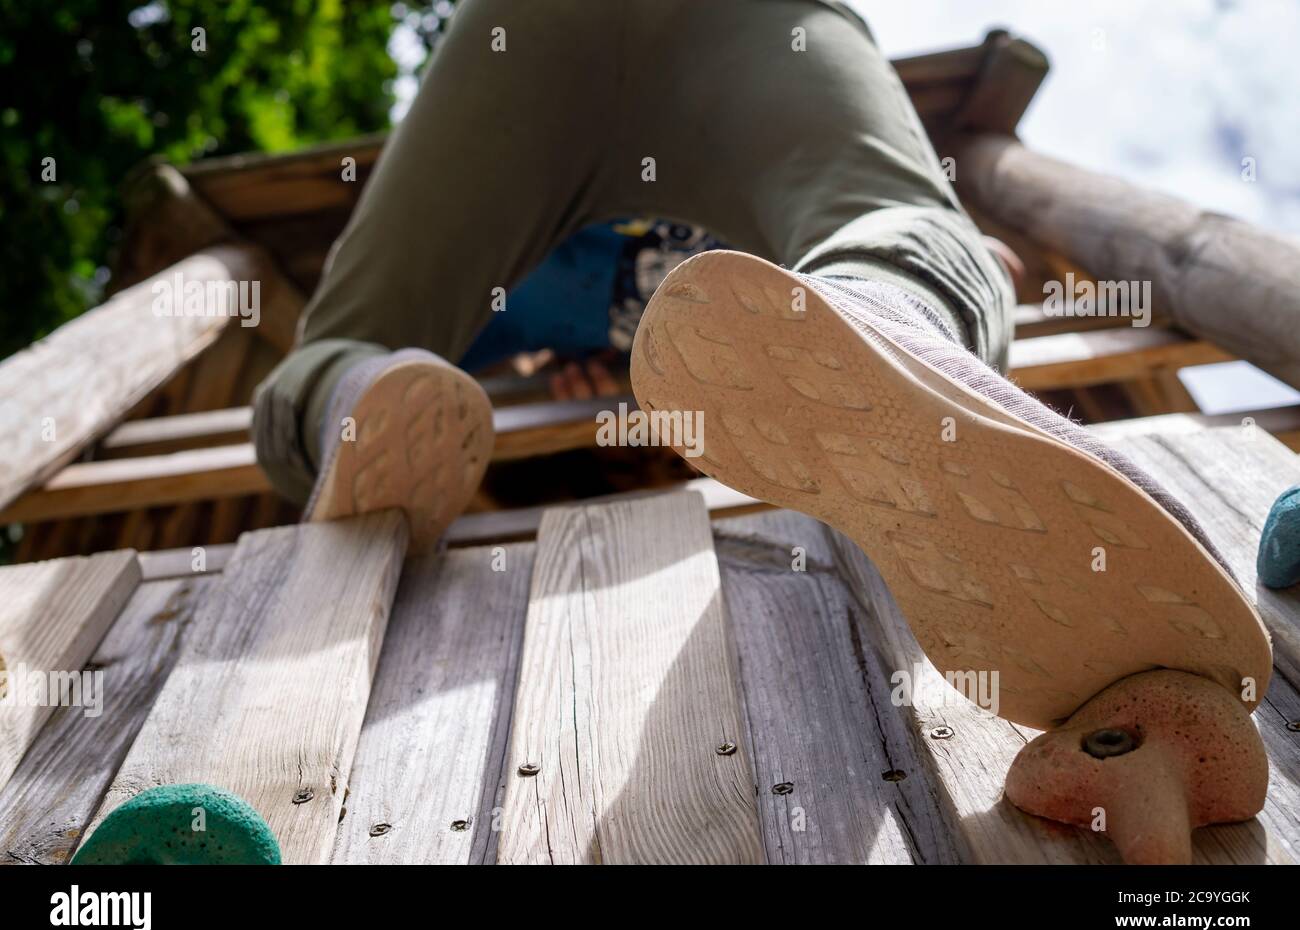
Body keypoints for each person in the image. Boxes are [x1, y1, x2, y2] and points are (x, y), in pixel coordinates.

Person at [252, 0, 1268, 726]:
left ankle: (342, 391)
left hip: (518, 32)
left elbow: (450, 314)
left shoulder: (527, 287)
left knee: (352, 331)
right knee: (904, 223)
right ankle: (894, 315)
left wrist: (507, 364)